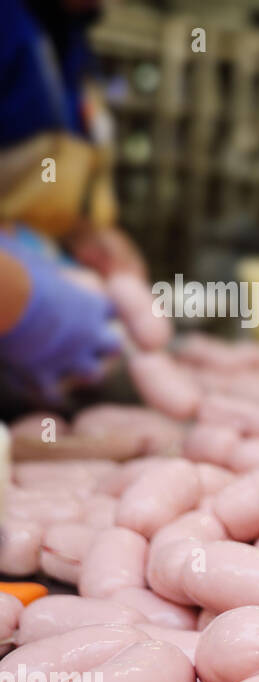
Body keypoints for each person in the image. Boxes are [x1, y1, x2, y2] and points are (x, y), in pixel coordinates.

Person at [0, 0, 144, 405]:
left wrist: (85, 232)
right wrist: (28, 304)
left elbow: (42, 182)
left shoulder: (73, 41)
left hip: (28, 371)